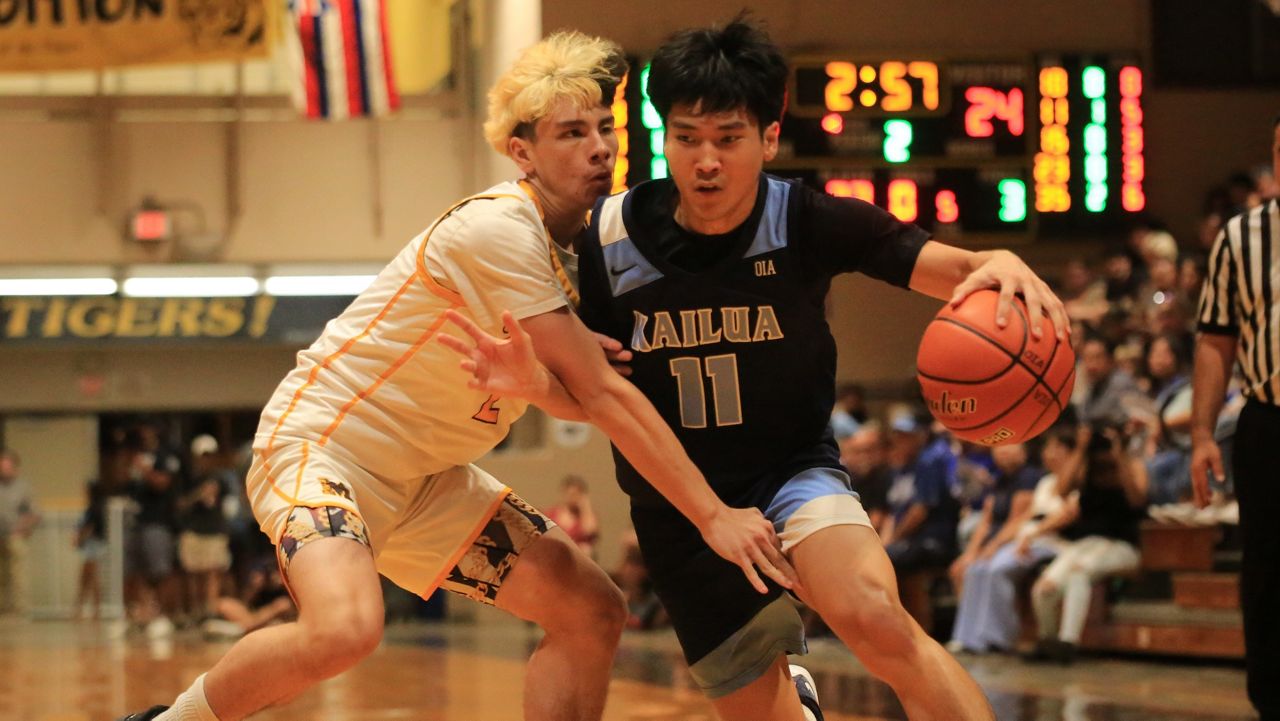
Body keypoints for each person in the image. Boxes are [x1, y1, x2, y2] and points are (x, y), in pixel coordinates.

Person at [117, 31, 795, 721]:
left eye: (604, 127)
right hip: (326, 450)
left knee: (591, 610)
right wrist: (712, 512)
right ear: (521, 150)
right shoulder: (500, 229)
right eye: (570, 132)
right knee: (345, 630)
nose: (599, 147)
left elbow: (575, 398)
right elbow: (602, 393)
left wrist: (538, 388)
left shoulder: (593, 251)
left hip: (428, 481)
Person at [445, 18, 1068, 721]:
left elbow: (954, 267)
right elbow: (599, 394)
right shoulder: (610, 238)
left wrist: (998, 262)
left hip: (791, 475)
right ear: (664, 139)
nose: (706, 161)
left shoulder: (806, 219)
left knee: (875, 616)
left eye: (728, 139)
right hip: (677, 507)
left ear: (769, 139)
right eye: (687, 138)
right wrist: (534, 387)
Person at [1191, 114, 1280, 721]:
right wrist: (1200, 433)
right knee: (1269, 577)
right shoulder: (1241, 235)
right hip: (1269, 424)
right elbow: (1215, 340)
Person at [1028, 425, 1147, 664]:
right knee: (1044, 587)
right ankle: (1047, 641)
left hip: (1121, 547)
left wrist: (1119, 453)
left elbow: (1136, 499)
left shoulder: (1132, 465)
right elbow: (1061, 491)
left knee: (1078, 573)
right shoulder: (1085, 468)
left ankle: (1069, 642)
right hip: (1083, 545)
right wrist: (1081, 448)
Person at [0, 449, 40, 617]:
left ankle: (20, 611)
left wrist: (21, 529)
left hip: (14, 536)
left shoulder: (23, 488)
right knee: (2, 576)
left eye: (7, 466)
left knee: (18, 576)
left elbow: (33, 513)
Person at [544, 475, 600, 556]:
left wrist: (585, 507)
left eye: (576, 494)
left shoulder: (585, 516)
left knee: (586, 549)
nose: (572, 498)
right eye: (570, 494)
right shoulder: (553, 513)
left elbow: (590, 531)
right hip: (557, 553)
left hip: (578, 556)